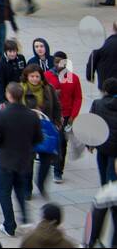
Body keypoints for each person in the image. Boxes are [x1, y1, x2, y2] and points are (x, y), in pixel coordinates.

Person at [0, 81, 42, 237]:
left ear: (9, 95)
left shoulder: (3, 114)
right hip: (24, 159)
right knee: (20, 190)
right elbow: (38, 138)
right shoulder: (32, 115)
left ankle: (9, 225)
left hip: (6, 159)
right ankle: (25, 219)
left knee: (5, 194)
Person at [47, 52, 82, 183]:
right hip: (51, 114)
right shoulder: (47, 76)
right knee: (52, 141)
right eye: (56, 62)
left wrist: (73, 116)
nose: (58, 65)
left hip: (66, 116)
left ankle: (58, 171)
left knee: (62, 143)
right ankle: (50, 159)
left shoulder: (74, 78)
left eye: (61, 62)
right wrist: (52, 94)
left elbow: (78, 98)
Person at [90, 78, 117, 187]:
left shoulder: (97, 104)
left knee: (103, 174)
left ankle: (104, 193)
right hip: (115, 148)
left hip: (102, 145)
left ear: (104, 90)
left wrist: (90, 143)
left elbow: (91, 124)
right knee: (113, 174)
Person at [0, 39, 27, 105]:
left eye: (14, 51)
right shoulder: (1, 64)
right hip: (10, 94)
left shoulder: (21, 58)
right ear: (5, 51)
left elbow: (25, 72)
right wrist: (1, 100)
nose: (12, 54)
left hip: (22, 91)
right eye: (10, 51)